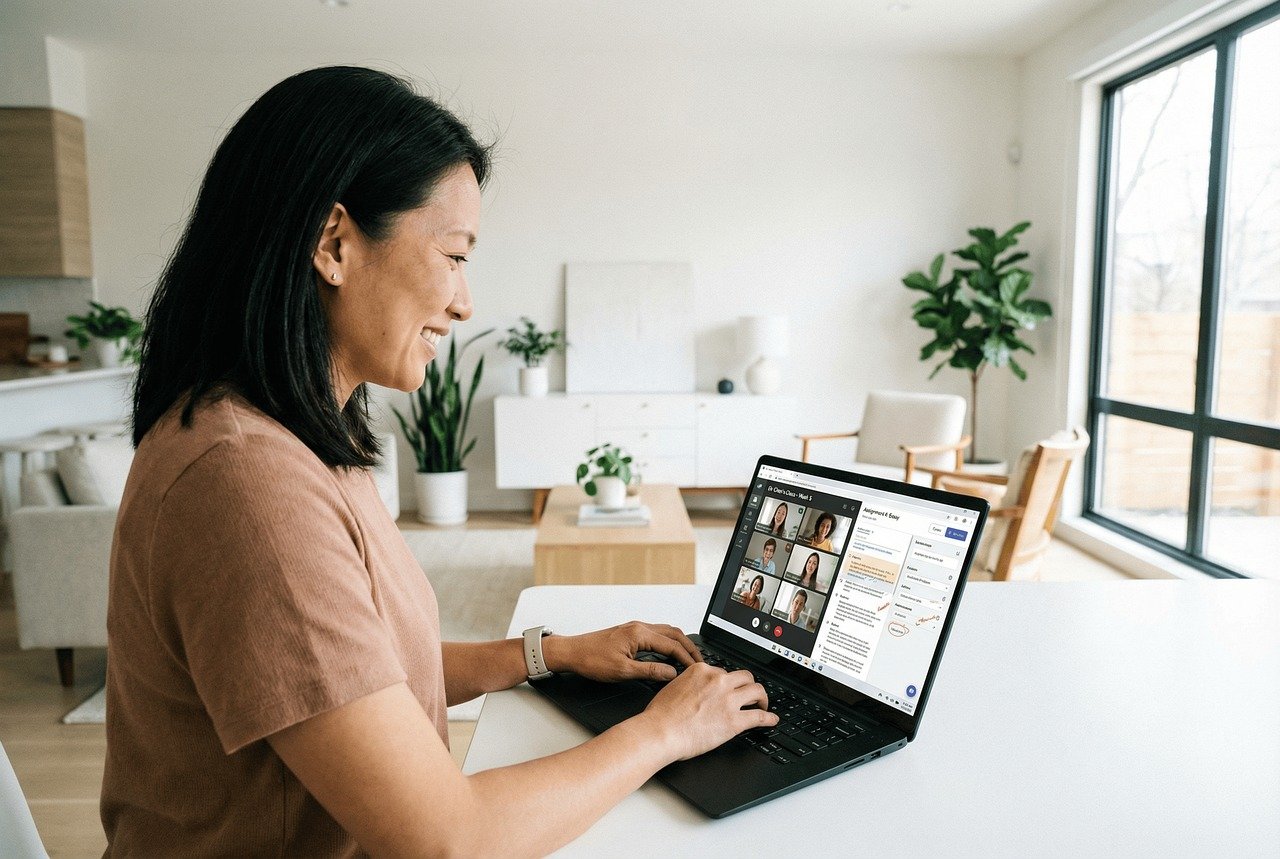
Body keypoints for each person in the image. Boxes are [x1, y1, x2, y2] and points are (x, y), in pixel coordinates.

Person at [101, 66, 777, 858]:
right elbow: (447, 841)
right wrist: (665, 733)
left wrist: (546, 655)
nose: (465, 302)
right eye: (454, 255)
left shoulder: (301, 442)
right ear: (333, 244)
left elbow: (356, 678)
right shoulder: (245, 484)